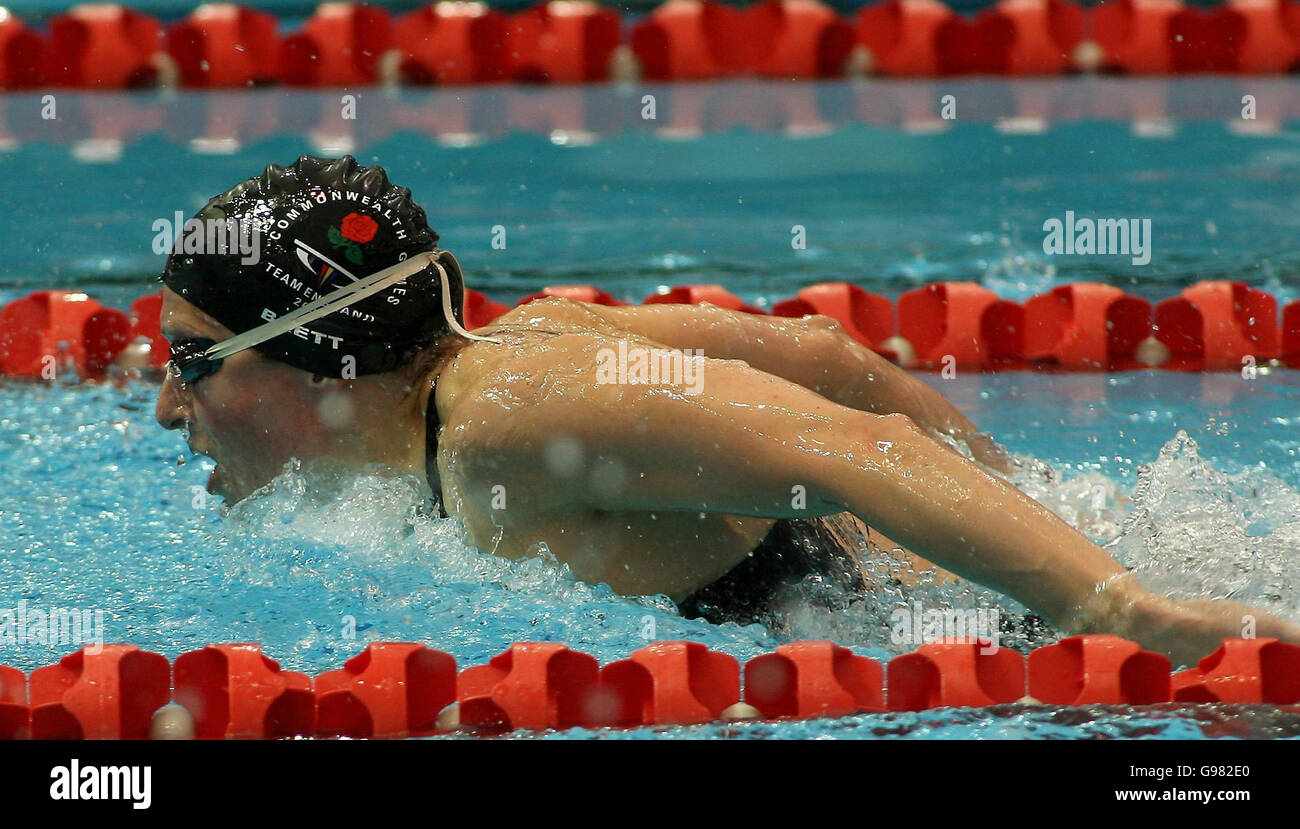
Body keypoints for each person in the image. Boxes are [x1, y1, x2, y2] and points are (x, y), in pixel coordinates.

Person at [155, 155, 1300, 666]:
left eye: (191, 362)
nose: (167, 406)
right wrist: (1024, 494)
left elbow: (858, 440)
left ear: (321, 354)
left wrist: (1125, 610)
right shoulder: (515, 354)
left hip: (1023, 661)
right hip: (966, 617)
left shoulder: (515, 419)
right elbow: (825, 352)